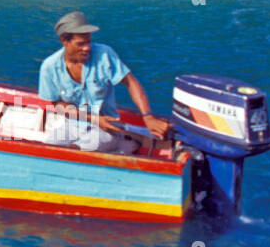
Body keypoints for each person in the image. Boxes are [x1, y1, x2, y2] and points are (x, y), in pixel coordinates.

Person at [38, 11, 171, 154]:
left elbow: (131, 82)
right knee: (47, 149)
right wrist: (93, 119)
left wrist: (148, 117)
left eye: (88, 41)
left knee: (79, 151)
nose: (87, 47)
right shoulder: (49, 67)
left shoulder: (104, 54)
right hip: (72, 125)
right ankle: (123, 147)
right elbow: (58, 105)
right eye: (80, 44)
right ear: (64, 41)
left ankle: (121, 145)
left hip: (107, 127)